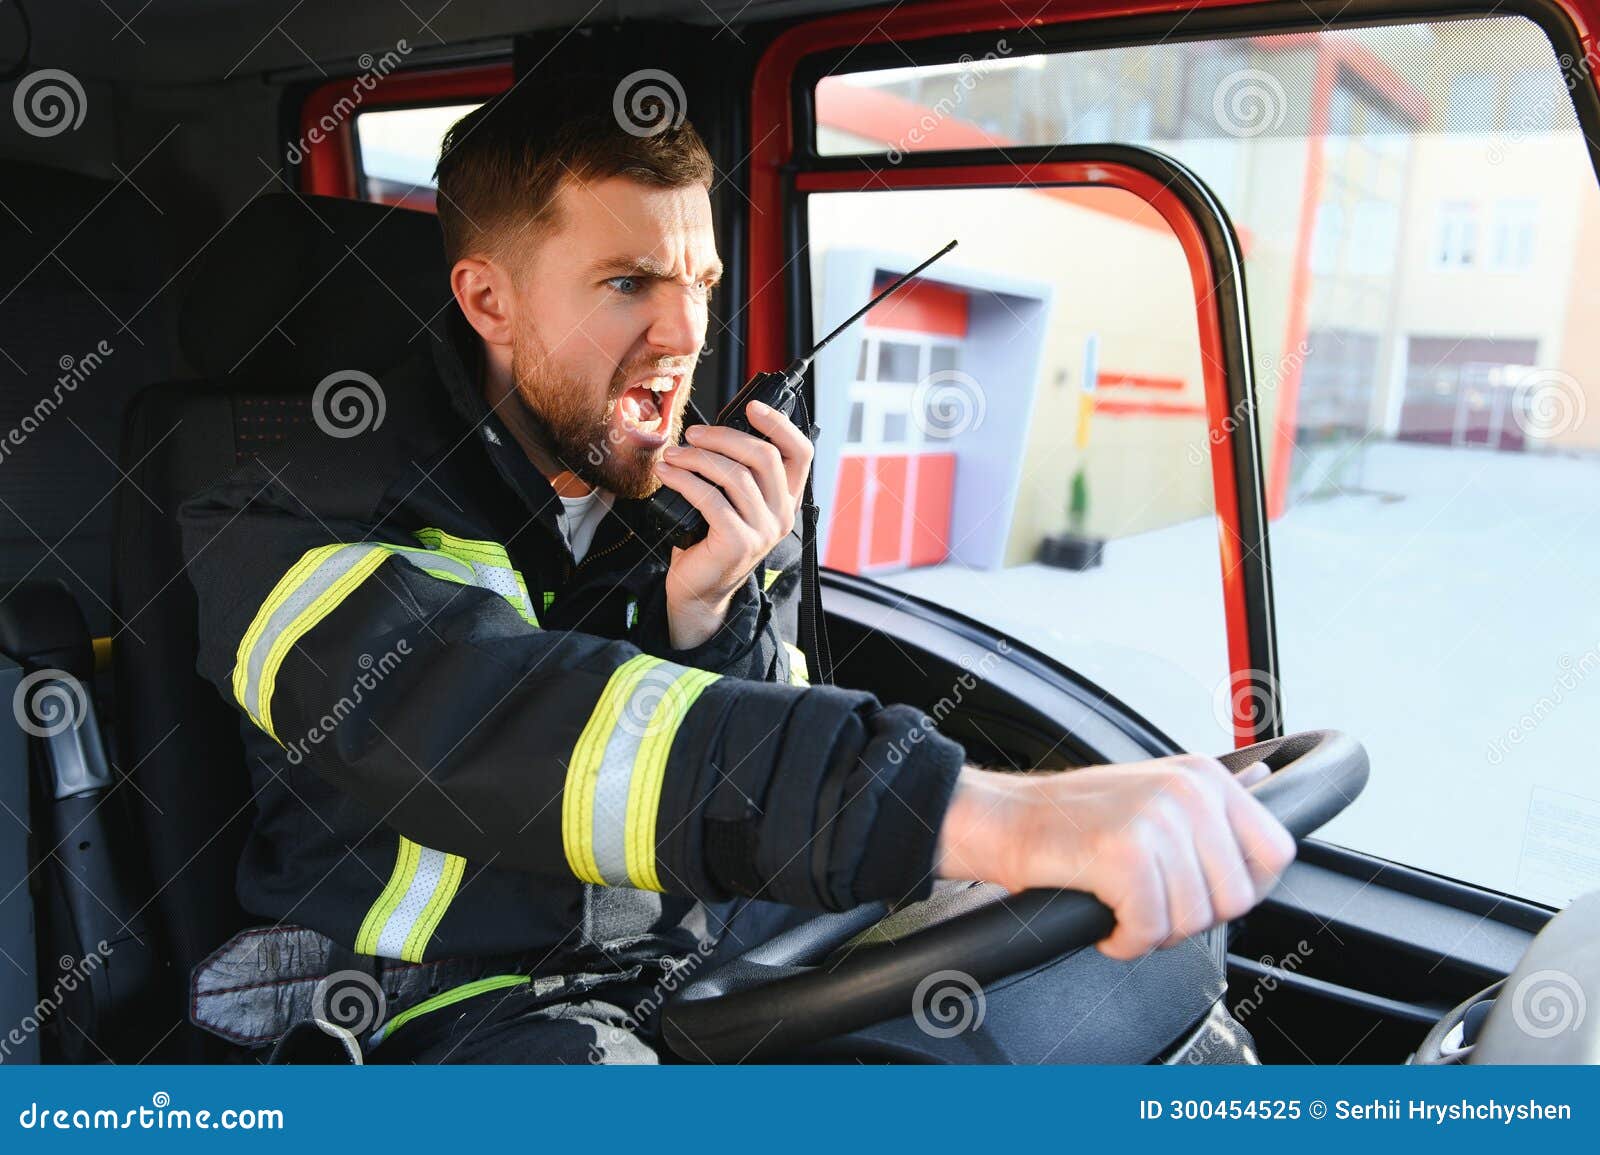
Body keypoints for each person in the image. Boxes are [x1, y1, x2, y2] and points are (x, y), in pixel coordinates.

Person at [178, 78, 1293, 1064]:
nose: (683, 333)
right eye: (627, 283)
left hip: (684, 965)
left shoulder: (671, 501)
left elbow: (746, 800)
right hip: (447, 1014)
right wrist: (989, 812)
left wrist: (709, 612)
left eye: (699, 282)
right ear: (489, 302)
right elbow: (495, 728)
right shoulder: (285, 492)